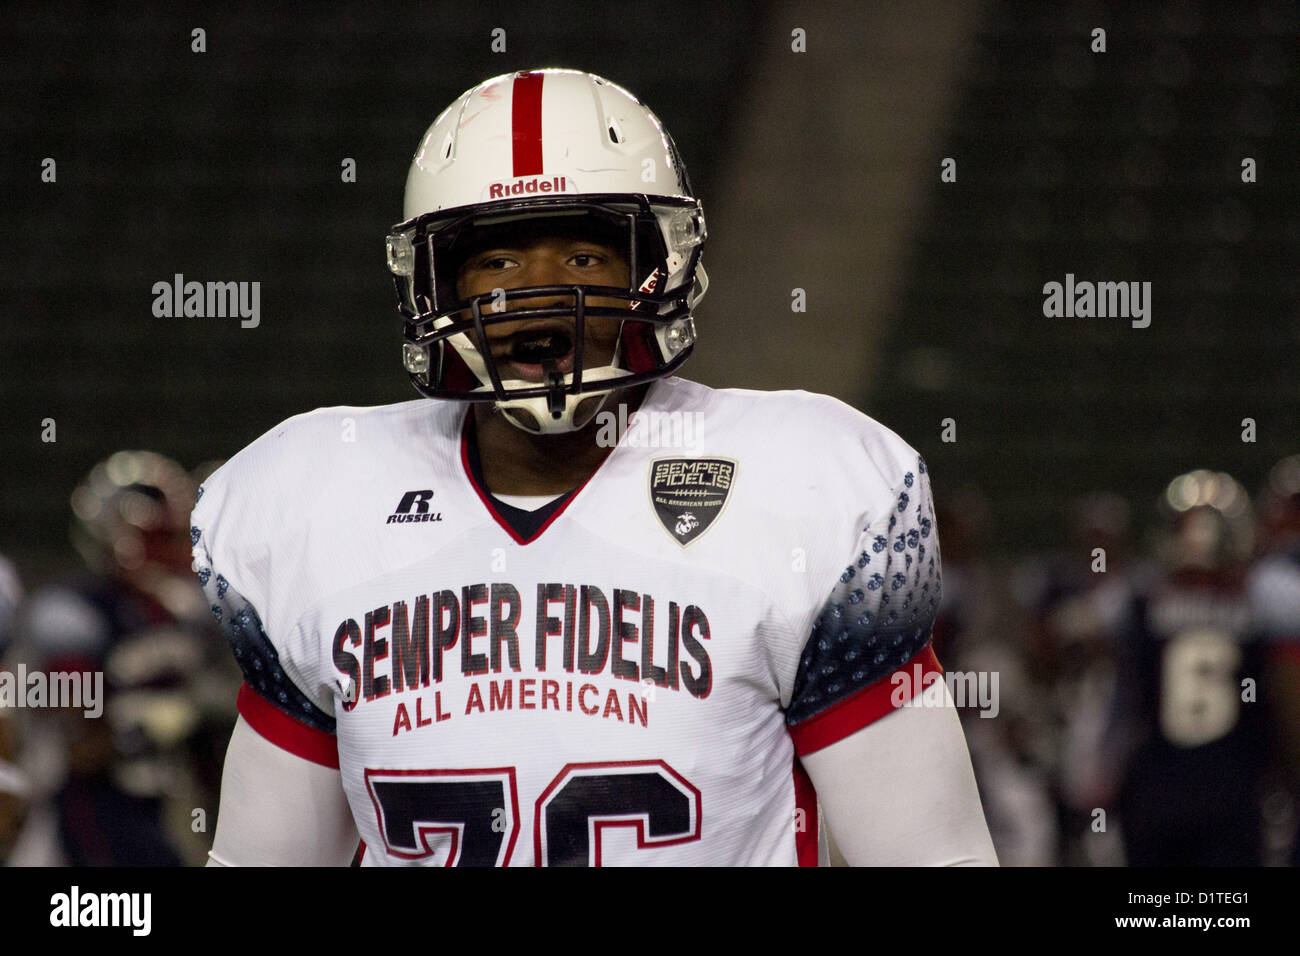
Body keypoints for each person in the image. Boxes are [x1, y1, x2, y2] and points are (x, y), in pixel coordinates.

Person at [194, 68, 996, 866]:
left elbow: (935, 858)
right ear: (434, 285)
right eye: (499, 262)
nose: (541, 294)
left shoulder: (808, 486)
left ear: (660, 267)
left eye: (584, 256)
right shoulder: (315, 498)